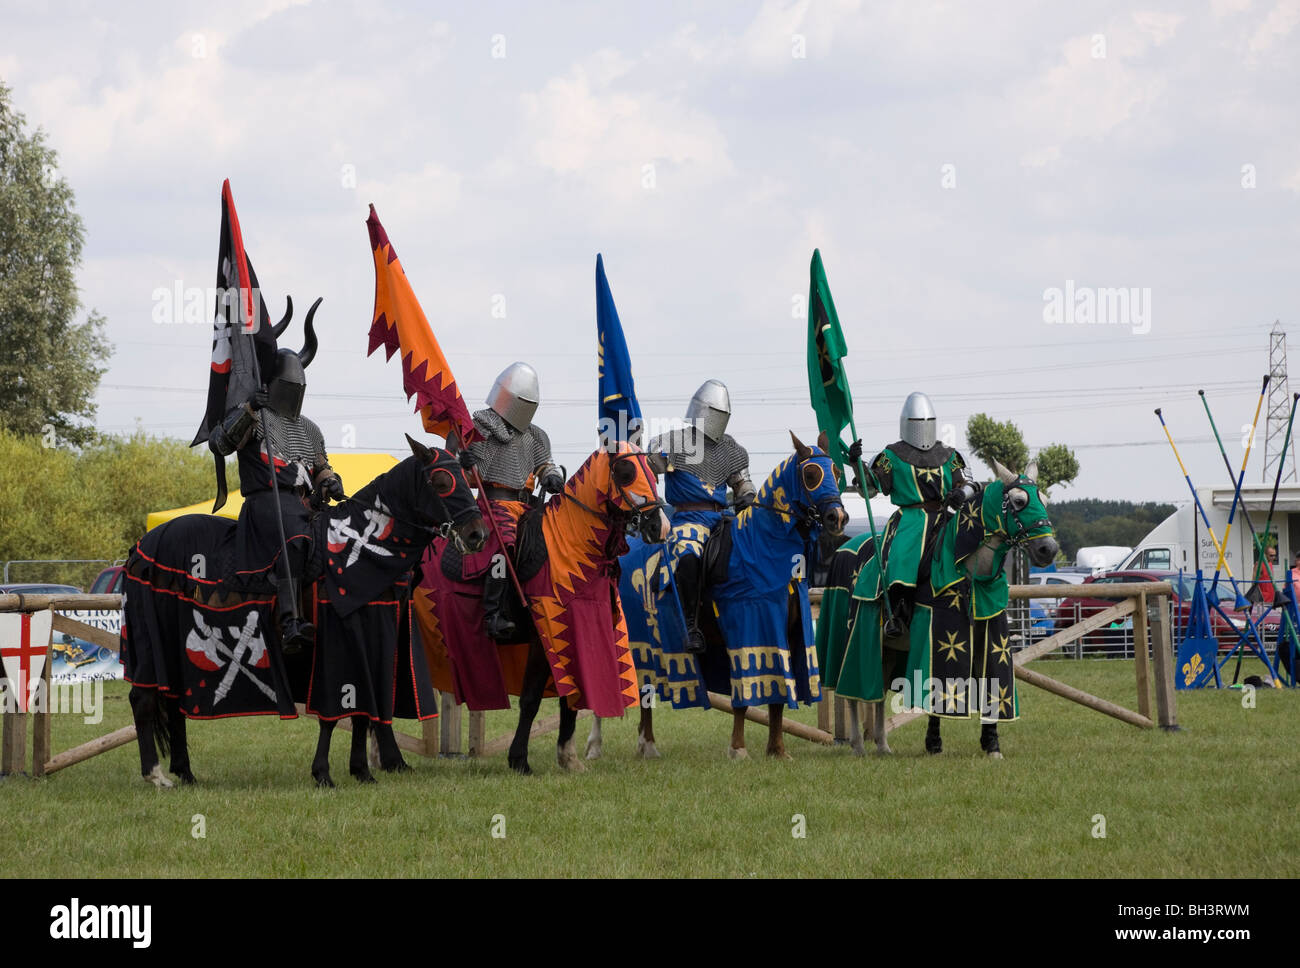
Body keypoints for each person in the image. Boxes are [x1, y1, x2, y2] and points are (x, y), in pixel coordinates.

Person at [209, 338, 342, 653]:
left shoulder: (309, 429)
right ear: (272, 383)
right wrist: (250, 408)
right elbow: (220, 444)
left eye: (300, 387)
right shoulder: (254, 417)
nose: (294, 393)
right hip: (267, 502)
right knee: (295, 538)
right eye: (289, 385)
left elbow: (321, 468)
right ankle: (290, 623)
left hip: (304, 502)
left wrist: (332, 482)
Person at [646, 379, 757, 653]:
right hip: (689, 520)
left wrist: (748, 495)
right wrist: (653, 455)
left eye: (723, 416)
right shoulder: (673, 442)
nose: (718, 421)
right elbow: (648, 469)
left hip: (723, 519)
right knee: (689, 555)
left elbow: (743, 481)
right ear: (700, 411)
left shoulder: (730, 448)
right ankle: (692, 625)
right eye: (715, 414)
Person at [858, 392, 979, 640]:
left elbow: (970, 484)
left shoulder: (949, 454)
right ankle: (899, 610)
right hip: (911, 518)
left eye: (925, 423)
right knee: (904, 553)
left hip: (947, 515)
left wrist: (960, 494)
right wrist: (855, 464)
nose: (921, 429)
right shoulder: (890, 456)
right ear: (906, 424)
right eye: (916, 424)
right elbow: (869, 489)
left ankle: (976, 605)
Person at [468, 362, 564, 641]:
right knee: (504, 547)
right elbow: (468, 476)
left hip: (528, 505)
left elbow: (545, 464)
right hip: (494, 505)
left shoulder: (535, 435)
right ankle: (494, 614)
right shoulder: (479, 427)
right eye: (520, 400)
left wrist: (552, 476)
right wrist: (466, 463)